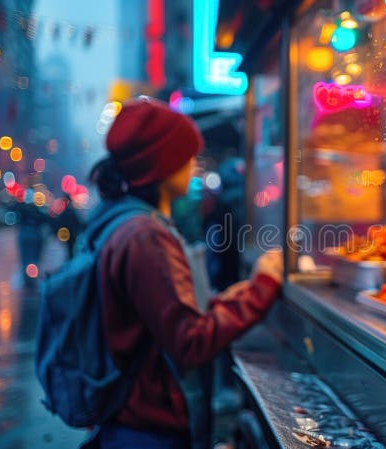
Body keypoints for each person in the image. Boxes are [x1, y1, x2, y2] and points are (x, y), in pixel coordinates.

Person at [88, 98, 282, 448]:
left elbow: (164, 314)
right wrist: (264, 286)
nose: (193, 166)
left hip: (131, 421)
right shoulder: (144, 236)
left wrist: (233, 295)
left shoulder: (121, 223)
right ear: (163, 165)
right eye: (187, 156)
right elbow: (190, 340)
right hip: (149, 428)